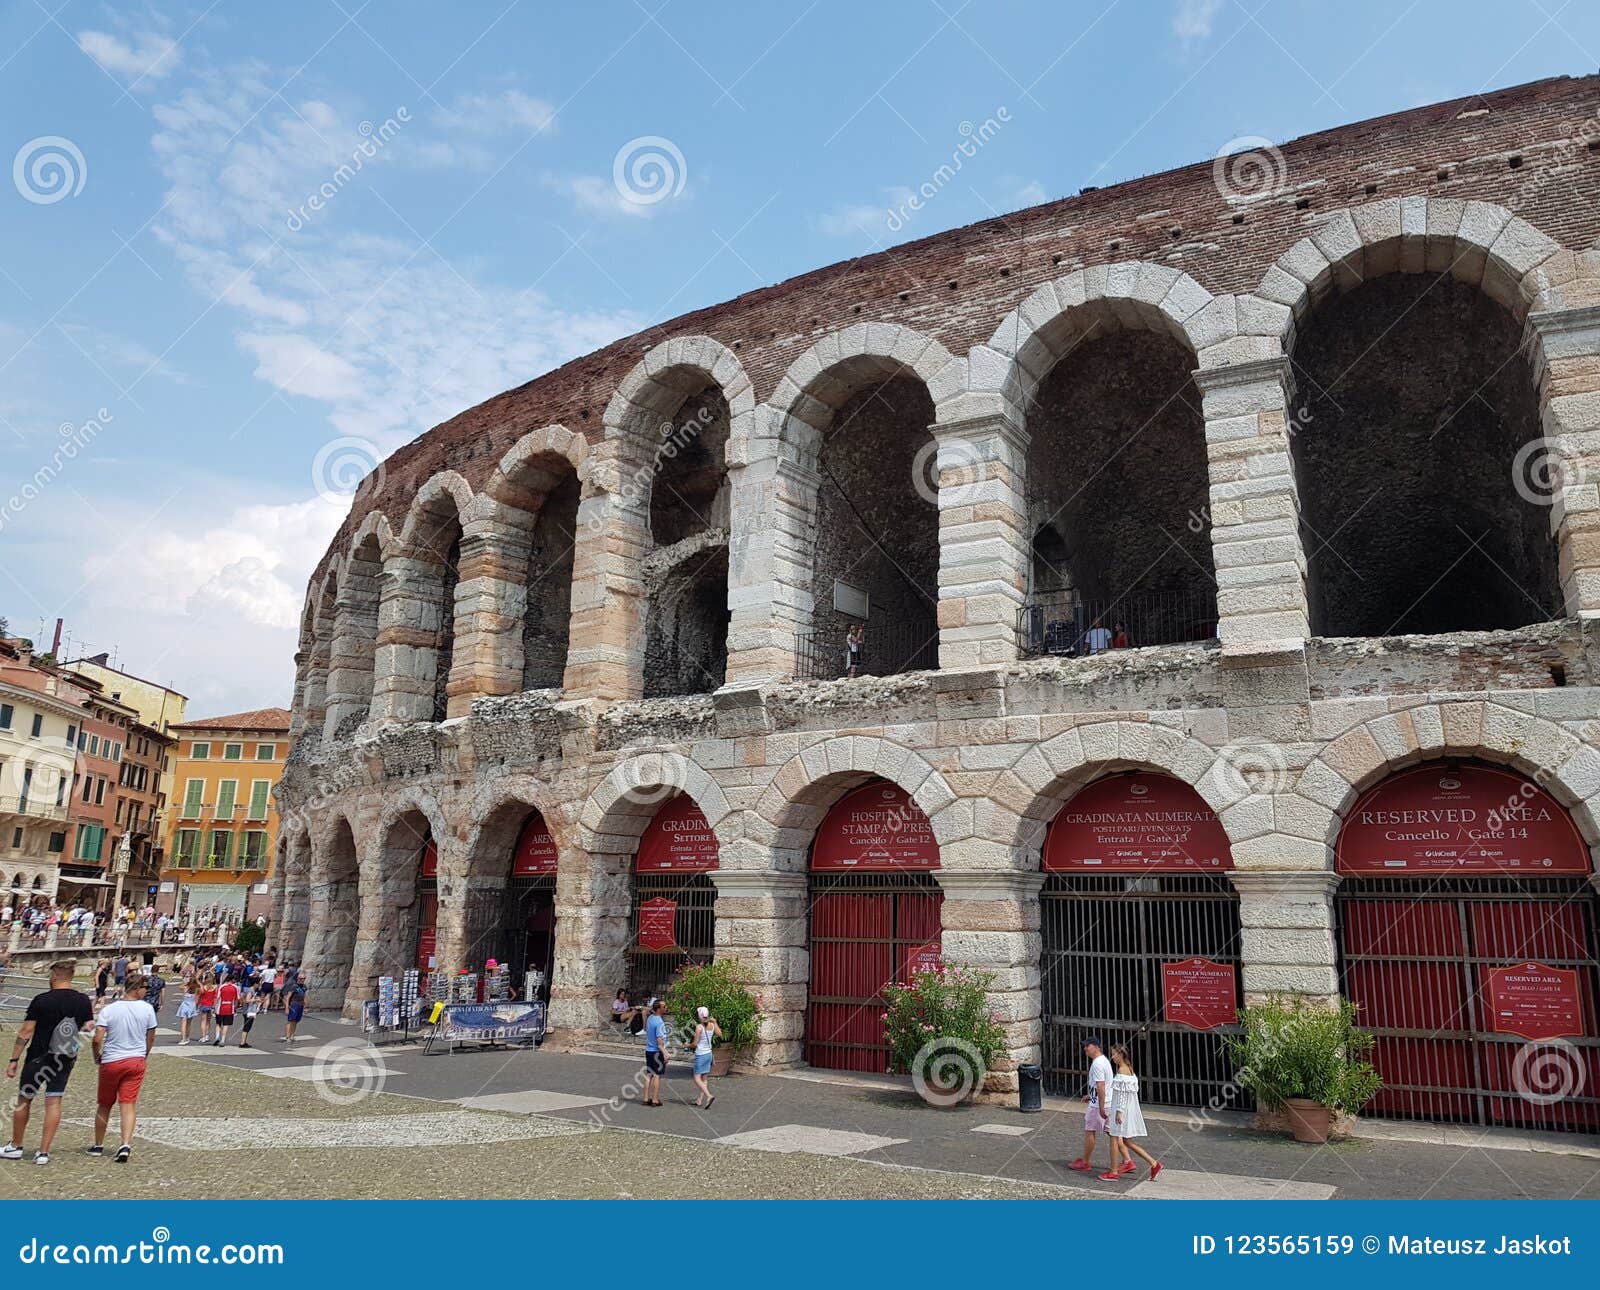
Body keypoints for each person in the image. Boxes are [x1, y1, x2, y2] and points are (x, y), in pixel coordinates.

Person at [2, 960, 94, 1166]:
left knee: (24, 1100)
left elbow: (26, 1031)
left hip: (38, 1056)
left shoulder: (41, 1000)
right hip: (64, 1058)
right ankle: (43, 1152)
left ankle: (16, 1146)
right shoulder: (82, 1000)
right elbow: (89, 1028)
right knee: (54, 1101)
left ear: (54, 976)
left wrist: (14, 1059)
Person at [89, 972, 157, 1163]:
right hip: (135, 1060)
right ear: (137, 989)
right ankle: (125, 1143)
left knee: (104, 1104)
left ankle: (98, 1144)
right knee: (128, 1103)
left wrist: (97, 1056)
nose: (146, 992)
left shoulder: (110, 1010)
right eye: (145, 988)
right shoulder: (147, 1009)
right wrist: (144, 1055)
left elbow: (97, 1038)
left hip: (112, 1059)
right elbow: (150, 1037)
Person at [1101, 1043, 1161, 1182]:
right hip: (1126, 1109)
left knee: (1114, 1138)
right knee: (1127, 1141)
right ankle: (1154, 1163)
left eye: (1114, 1053)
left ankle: (1114, 1171)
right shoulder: (1130, 1069)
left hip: (1121, 1110)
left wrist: (1119, 1112)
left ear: (1120, 1054)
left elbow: (1122, 1095)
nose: (1112, 1056)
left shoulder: (1122, 1070)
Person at [1068, 1036, 1114, 1173]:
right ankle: (1127, 1160)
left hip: (1099, 1104)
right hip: (1107, 1101)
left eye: (1087, 1046)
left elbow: (1101, 1085)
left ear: (1095, 1046)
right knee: (1113, 1133)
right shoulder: (1103, 1061)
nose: (1085, 1049)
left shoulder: (1097, 1064)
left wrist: (1099, 1105)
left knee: (1090, 1131)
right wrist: (1090, 1095)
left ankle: (1086, 1161)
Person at [690, 1005, 722, 1109]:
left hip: (701, 1054)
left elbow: (695, 1044)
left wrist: (687, 1045)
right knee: (704, 1078)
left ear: (699, 1016)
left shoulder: (699, 1027)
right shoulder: (712, 1025)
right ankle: (700, 1100)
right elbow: (720, 1034)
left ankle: (709, 1095)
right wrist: (715, 1022)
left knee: (696, 1078)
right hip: (709, 1054)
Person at [641, 998, 668, 1107]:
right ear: (658, 1009)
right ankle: (655, 1099)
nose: (666, 1008)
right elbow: (660, 1042)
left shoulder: (651, 1018)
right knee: (657, 1075)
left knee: (649, 1075)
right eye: (664, 1007)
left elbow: (647, 1030)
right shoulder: (659, 1022)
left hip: (649, 1050)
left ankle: (646, 1098)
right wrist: (665, 1053)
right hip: (657, 1052)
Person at [213, 974, 239, 1047]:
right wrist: (235, 1007)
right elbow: (237, 999)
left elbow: (217, 997)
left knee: (218, 1023)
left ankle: (217, 1037)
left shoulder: (221, 987)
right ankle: (223, 1040)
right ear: (232, 979)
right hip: (230, 1007)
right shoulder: (235, 987)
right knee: (226, 1024)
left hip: (220, 1007)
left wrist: (214, 1007)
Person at [282, 971, 307, 1043]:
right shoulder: (294, 986)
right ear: (298, 979)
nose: (303, 980)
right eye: (301, 978)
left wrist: (305, 1006)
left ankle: (292, 1035)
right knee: (291, 1021)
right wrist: (287, 1008)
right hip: (294, 1005)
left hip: (300, 1005)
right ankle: (287, 1036)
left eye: (304, 978)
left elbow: (304, 996)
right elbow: (288, 997)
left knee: (296, 1021)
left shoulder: (304, 986)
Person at [195, 971, 217, 1044]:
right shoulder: (214, 987)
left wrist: (197, 1007)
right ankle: (207, 1035)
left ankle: (203, 1036)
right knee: (208, 1021)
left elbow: (199, 998)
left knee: (203, 1021)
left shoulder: (203, 988)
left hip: (204, 1005)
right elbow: (215, 998)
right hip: (211, 1006)